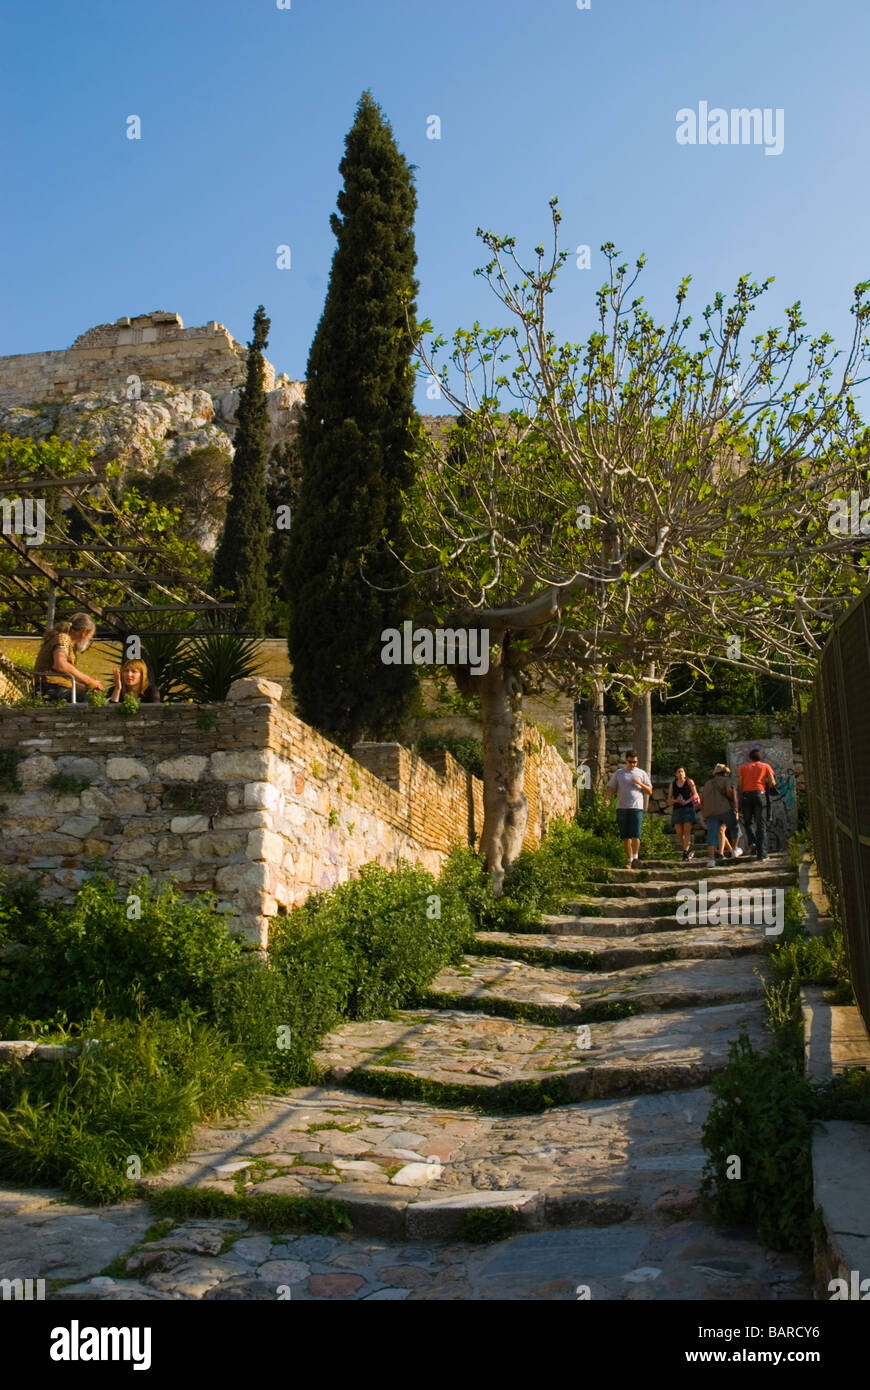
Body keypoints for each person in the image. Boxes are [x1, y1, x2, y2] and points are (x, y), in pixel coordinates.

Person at [33, 614, 104, 703]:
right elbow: (60, 665)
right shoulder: (64, 638)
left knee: (93, 698)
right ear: (85, 632)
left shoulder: (66, 642)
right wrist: (89, 681)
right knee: (91, 701)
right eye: (90, 636)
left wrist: (87, 688)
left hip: (52, 689)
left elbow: (64, 680)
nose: (89, 640)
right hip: (50, 690)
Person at [605, 749, 653, 868]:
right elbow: (611, 787)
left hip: (636, 807)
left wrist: (640, 784)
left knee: (636, 834)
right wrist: (607, 798)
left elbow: (650, 791)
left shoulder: (641, 773)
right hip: (622, 807)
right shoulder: (619, 773)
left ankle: (636, 858)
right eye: (631, 762)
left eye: (635, 762)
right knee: (625, 836)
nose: (633, 764)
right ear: (626, 760)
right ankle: (629, 860)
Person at [737, 747, 777, 862]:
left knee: (748, 822)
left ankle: (752, 841)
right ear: (760, 757)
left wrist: (740, 799)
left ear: (750, 758)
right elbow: (772, 783)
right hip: (759, 795)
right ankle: (762, 854)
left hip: (746, 796)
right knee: (761, 825)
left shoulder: (743, 768)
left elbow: (740, 785)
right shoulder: (766, 766)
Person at [699, 763, 737, 867]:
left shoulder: (707, 784)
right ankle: (725, 852)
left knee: (714, 834)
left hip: (710, 812)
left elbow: (702, 800)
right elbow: (730, 793)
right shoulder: (727, 781)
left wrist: (704, 813)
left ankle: (712, 859)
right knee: (726, 830)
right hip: (724, 810)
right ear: (725, 772)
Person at [666, 766, 698, 861]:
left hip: (688, 808)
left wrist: (687, 801)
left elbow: (695, 794)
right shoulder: (673, 784)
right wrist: (676, 800)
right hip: (677, 809)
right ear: (675, 774)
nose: (681, 773)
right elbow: (669, 798)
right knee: (679, 833)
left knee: (687, 831)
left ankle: (684, 853)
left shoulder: (689, 782)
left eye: (682, 771)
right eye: (679, 771)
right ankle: (688, 849)